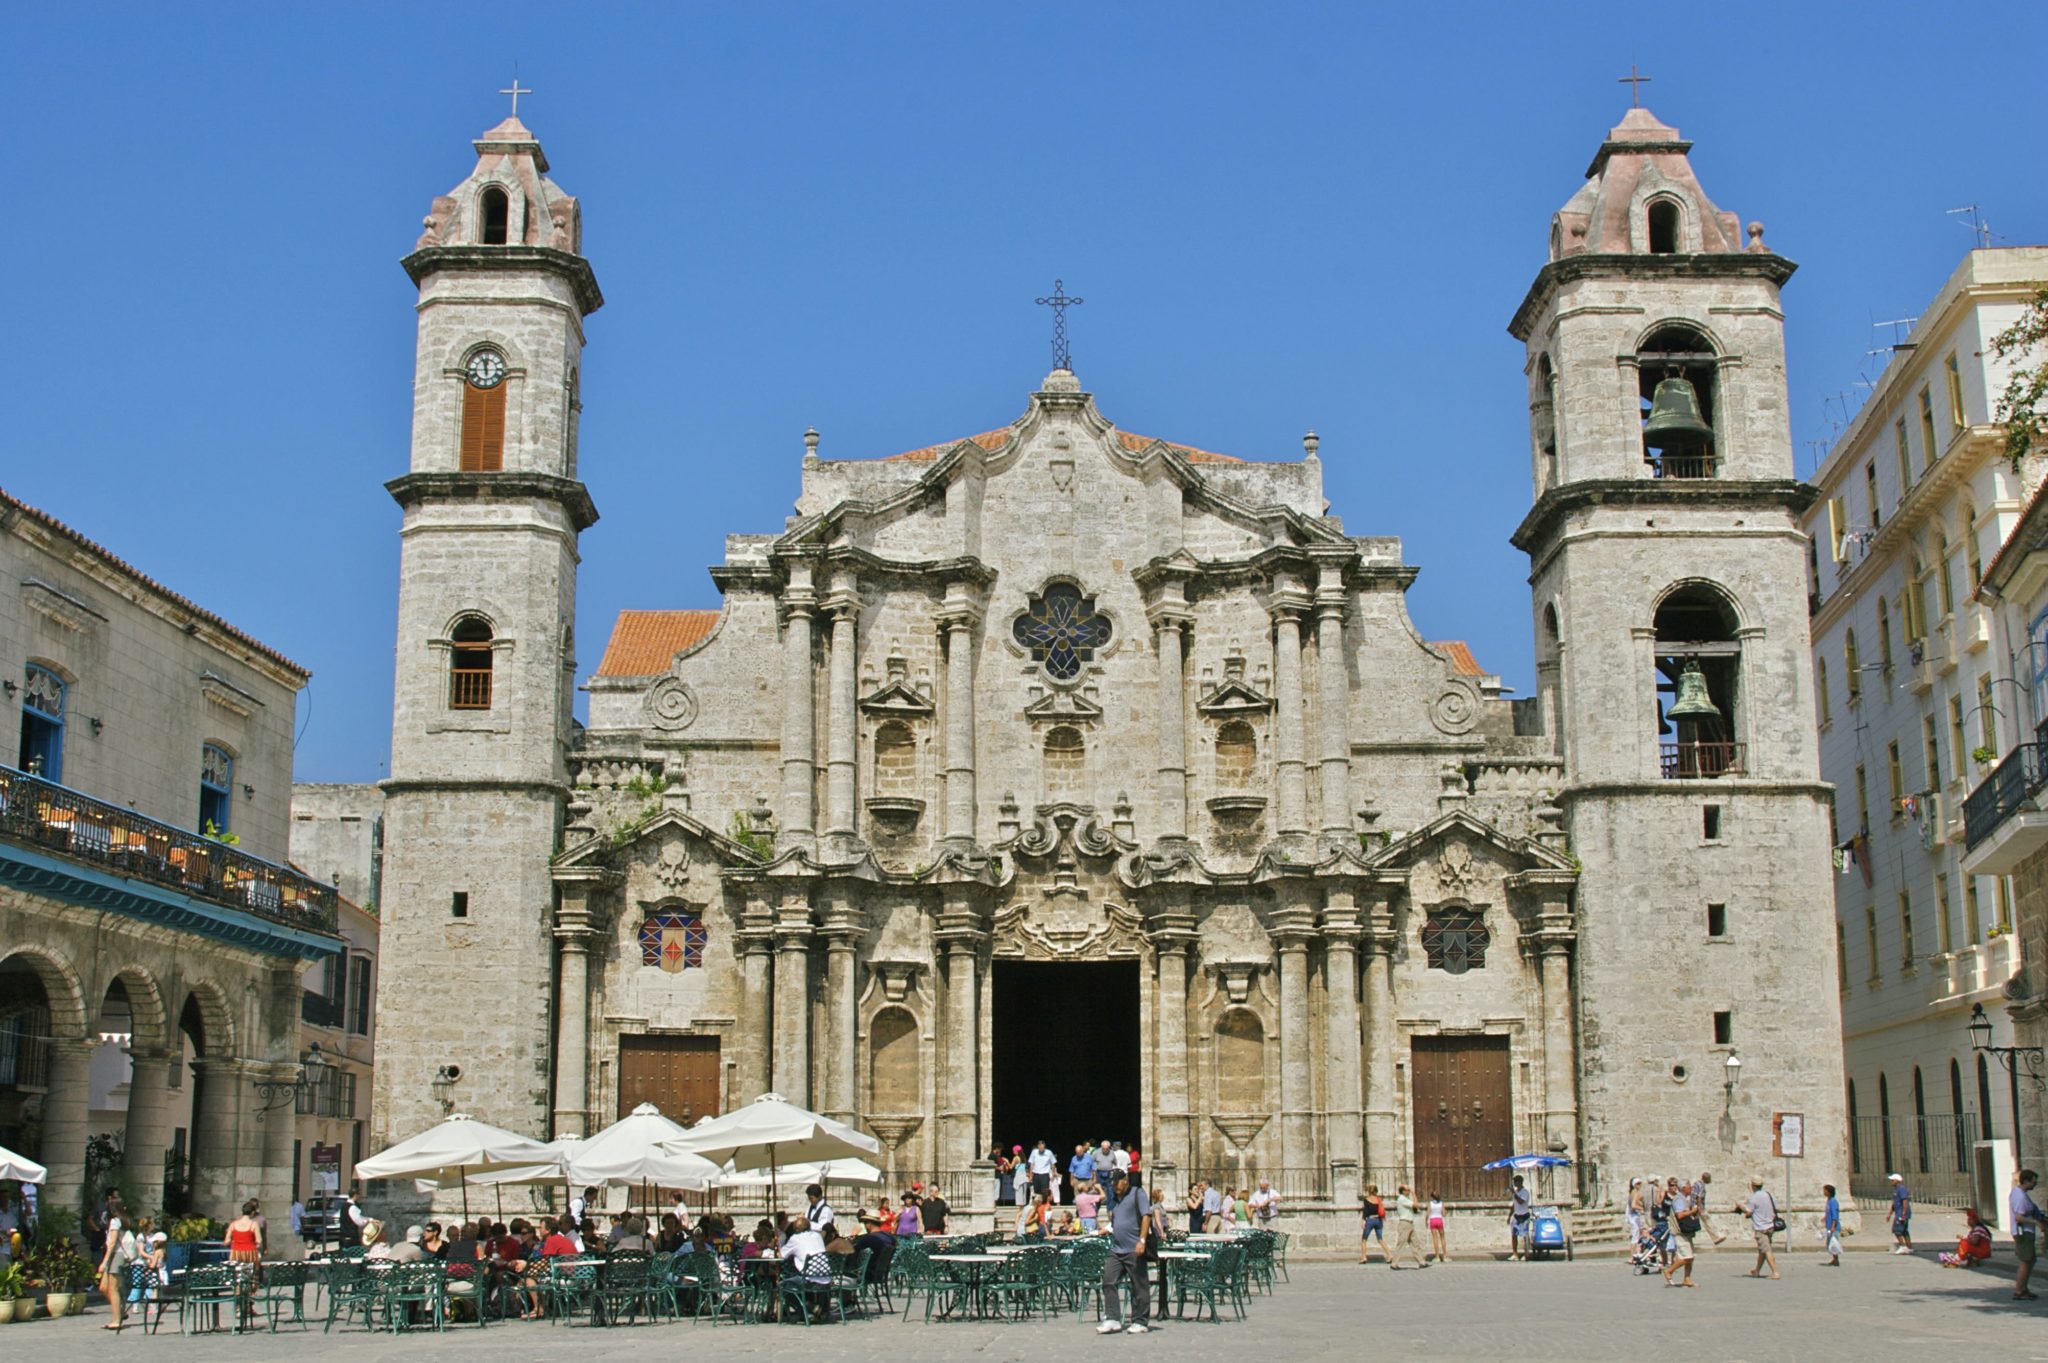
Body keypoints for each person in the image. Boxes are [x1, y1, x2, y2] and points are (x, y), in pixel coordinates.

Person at [1096, 1172, 1152, 1335]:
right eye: (1112, 1184)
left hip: (1133, 1248)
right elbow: (1117, 1220)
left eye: (1116, 1183)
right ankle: (1113, 1318)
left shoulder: (1137, 1193)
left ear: (1125, 1181)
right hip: (1117, 1249)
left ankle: (1140, 1320)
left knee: (1138, 1284)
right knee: (1108, 1280)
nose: (1114, 1187)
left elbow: (1146, 1216)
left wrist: (1141, 1240)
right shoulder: (1115, 1199)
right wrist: (1107, 1229)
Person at [96, 1192, 135, 1331]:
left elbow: (112, 1243)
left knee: (112, 1288)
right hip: (115, 1256)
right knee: (104, 1287)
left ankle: (116, 1319)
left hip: (116, 1256)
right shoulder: (122, 1220)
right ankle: (119, 1310)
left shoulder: (115, 1221)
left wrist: (104, 1262)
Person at [2011, 1169, 2048, 1300]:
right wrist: (2036, 1222)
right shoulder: (2020, 1197)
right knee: (2026, 1261)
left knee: (2030, 1260)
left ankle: (2024, 1288)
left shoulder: (2019, 1193)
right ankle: (2019, 1290)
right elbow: (2019, 1217)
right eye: (2033, 1182)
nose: (2035, 1185)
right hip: (2023, 1232)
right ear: (2026, 1181)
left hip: (2025, 1231)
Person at [1739, 1177, 1779, 1280]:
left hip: (1761, 1228)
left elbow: (1748, 1211)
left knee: (1767, 1250)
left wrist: (1740, 1206)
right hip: (1770, 1225)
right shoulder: (1768, 1195)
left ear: (1752, 1185)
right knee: (1762, 1250)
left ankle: (1775, 1272)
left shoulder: (1754, 1198)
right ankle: (1757, 1270)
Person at [1663, 1179, 1698, 1288]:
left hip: (1685, 1231)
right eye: (1689, 1187)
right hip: (1679, 1231)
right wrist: (1692, 1212)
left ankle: (1687, 1279)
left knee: (1690, 1256)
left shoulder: (1684, 1199)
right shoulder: (1678, 1199)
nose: (1691, 1188)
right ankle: (1669, 1271)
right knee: (1686, 1257)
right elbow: (1680, 1215)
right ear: (1683, 1188)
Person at [1390, 1185, 1427, 1269]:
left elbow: (1415, 1209)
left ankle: (1421, 1262)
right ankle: (1394, 1263)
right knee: (1401, 1243)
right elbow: (1416, 1205)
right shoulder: (1402, 1199)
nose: (1409, 1191)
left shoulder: (1406, 1199)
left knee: (1415, 1243)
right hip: (1405, 1223)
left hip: (1410, 1223)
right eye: (1407, 1190)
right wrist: (1414, 1194)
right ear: (1403, 1191)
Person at [1691, 1172, 1727, 1245]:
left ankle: (1715, 1236)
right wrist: (1700, 1208)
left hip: (1693, 1205)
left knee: (1696, 1221)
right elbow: (1699, 1197)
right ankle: (1716, 1237)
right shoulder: (1702, 1185)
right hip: (1698, 1206)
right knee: (1707, 1221)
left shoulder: (1696, 1183)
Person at [1359, 1184, 1387, 1264]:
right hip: (1378, 1220)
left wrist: (1363, 1220)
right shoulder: (1378, 1199)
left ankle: (1364, 1257)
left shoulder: (1366, 1200)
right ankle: (1389, 1255)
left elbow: (1366, 1211)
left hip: (1370, 1220)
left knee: (1364, 1239)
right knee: (1380, 1239)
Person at [1509, 1175, 1533, 1261]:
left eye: (1516, 1181)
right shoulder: (1515, 1192)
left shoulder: (1525, 1192)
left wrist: (1514, 1194)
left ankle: (1526, 1254)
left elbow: (1521, 1202)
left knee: (1525, 1235)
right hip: (1516, 1216)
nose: (1515, 1183)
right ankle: (1515, 1254)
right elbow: (1514, 1205)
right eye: (1514, 1181)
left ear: (1520, 1182)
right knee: (1514, 1235)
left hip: (1524, 1216)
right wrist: (1509, 1216)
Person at [1888, 1173, 1913, 1253]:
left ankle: (1903, 1246)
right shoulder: (1896, 1190)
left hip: (1901, 1213)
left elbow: (1904, 1201)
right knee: (1904, 1231)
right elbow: (1894, 1204)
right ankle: (1909, 1247)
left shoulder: (1901, 1189)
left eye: (1892, 1180)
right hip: (1899, 1212)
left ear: (1897, 1181)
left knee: (1896, 1230)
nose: (1891, 1182)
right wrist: (1889, 1214)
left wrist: (1903, 1214)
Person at [1821, 1184, 1842, 1266]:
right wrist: (1825, 1217)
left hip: (1834, 1227)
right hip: (1829, 1226)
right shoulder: (1828, 1201)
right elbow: (1829, 1212)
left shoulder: (1833, 1201)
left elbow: (1835, 1215)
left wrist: (1833, 1226)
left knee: (1833, 1244)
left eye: (1825, 1190)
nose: (1823, 1192)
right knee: (1830, 1243)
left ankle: (1836, 1260)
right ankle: (1834, 1259)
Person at [1427, 1191, 1448, 1263]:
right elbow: (1444, 1214)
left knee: (1435, 1239)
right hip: (1439, 1220)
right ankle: (1445, 1256)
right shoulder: (1441, 1203)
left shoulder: (1430, 1203)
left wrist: (1426, 1222)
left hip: (1432, 1220)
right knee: (1442, 1238)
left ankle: (1437, 1257)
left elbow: (1427, 1214)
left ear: (1432, 1197)